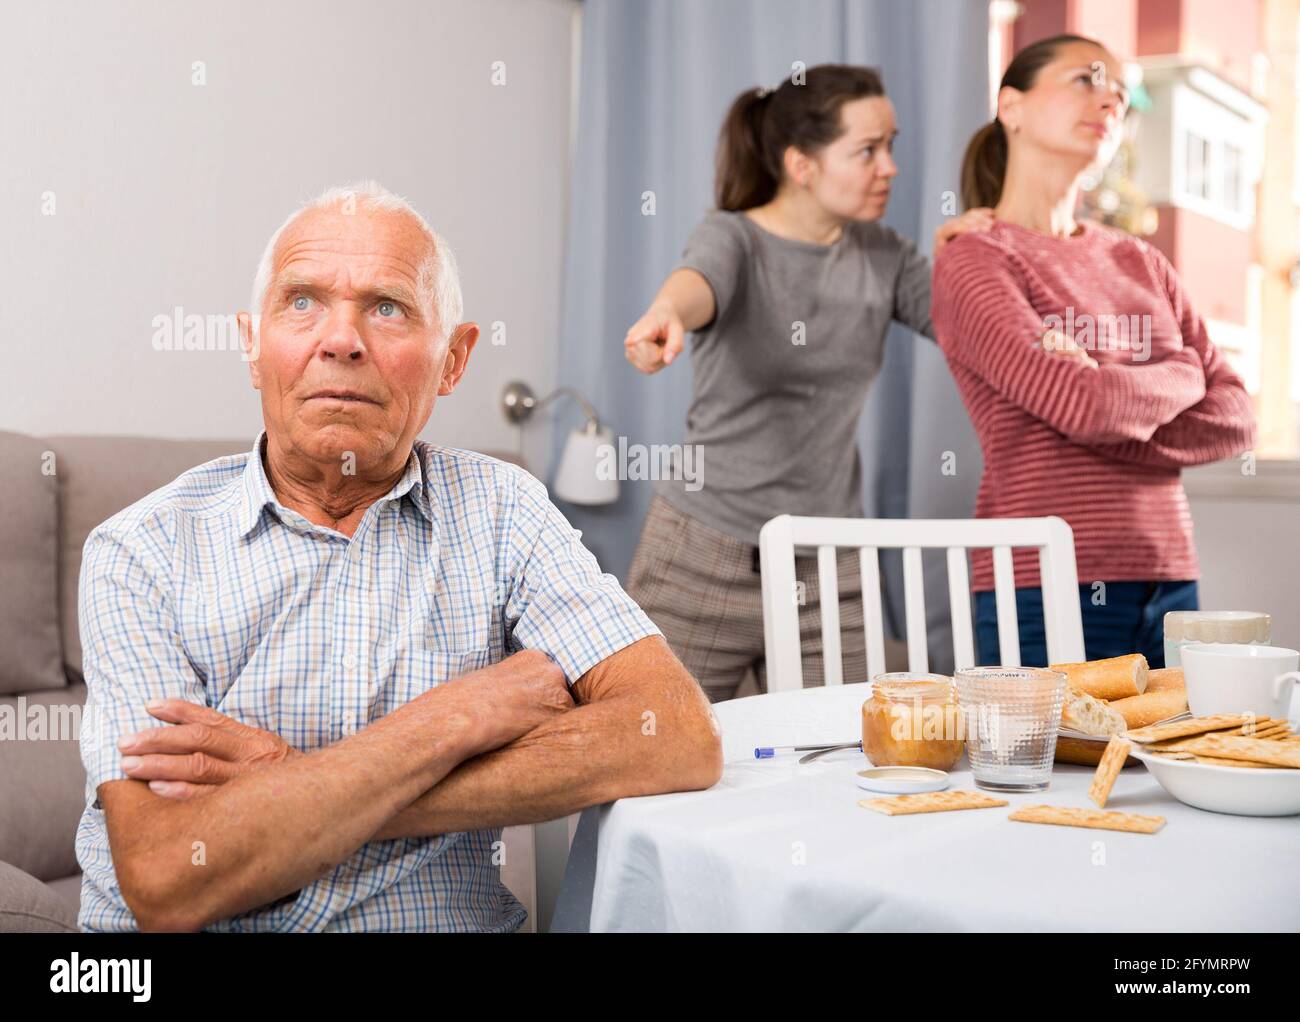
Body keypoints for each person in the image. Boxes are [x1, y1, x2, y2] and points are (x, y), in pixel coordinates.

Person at [75, 181, 722, 932]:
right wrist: (456, 717)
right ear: (253, 346)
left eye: (386, 307)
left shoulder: (503, 508)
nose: (341, 339)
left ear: (454, 359)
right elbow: (164, 877)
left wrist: (296, 786)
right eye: (303, 302)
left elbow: (675, 731)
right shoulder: (139, 550)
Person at [622, 64, 993, 702]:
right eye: (867, 151)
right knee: (648, 746)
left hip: (828, 560)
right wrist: (665, 313)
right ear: (801, 164)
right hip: (703, 550)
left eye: (892, 146)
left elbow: (975, 329)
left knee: (839, 757)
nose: (890, 167)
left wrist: (977, 259)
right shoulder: (734, 238)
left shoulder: (886, 256)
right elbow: (699, 281)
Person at [932, 35, 1257, 668]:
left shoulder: (1139, 258)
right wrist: (1182, 372)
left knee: (1171, 767)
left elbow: (1238, 414)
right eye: (1087, 79)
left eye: (1119, 90)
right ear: (1012, 107)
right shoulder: (976, 258)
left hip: (1171, 577)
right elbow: (1084, 406)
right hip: (1043, 581)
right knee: (1049, 770)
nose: (1111, 97)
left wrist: (1110, 397)